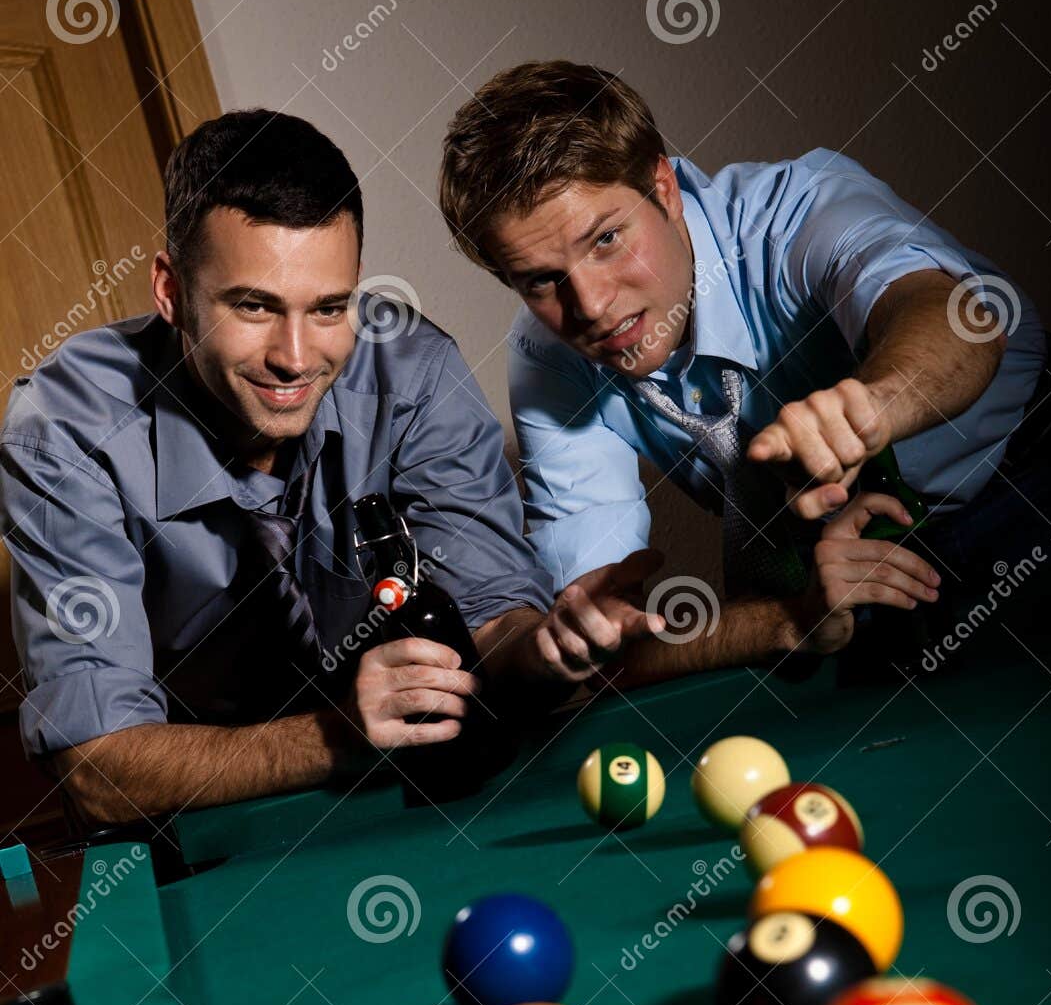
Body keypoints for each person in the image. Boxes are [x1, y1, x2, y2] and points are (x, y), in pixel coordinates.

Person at [2, 111, 928, 835]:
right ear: (170, 290)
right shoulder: (64, 428)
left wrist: (558, 640)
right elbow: (98, 767)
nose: (295, 355)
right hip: (207, 823)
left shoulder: (410, 371)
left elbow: (499, 638)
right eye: (252, 306)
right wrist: (338, 731)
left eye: (329, 307)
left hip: (438, 800)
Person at [438, 61, 1051, 671]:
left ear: (664, 189)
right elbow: (609, 638)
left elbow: (963, 321)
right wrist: (788, 620)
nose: (592, 307)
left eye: (605, 239)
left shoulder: (796, 213)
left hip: (1034, 477)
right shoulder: (547, 359)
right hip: (844, 579)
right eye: (543, 280)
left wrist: (872, 407)